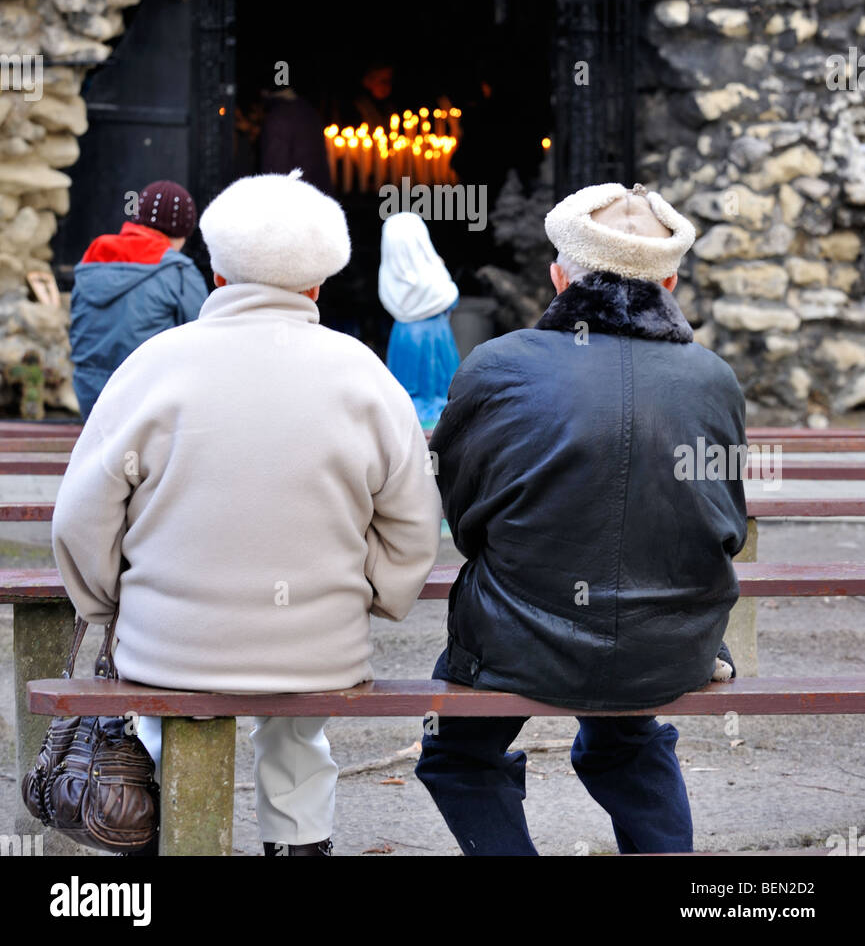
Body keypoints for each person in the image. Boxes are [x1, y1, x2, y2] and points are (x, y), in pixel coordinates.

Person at [53, 170, 442, 857]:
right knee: (298, 734)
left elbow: (80, 519)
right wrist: (378, 597)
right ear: (319, 283)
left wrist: (113, 604)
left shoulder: (153, 365)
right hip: (318, 645)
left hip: (168, 642)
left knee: (159, 706)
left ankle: (161, 830)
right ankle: (298, 846)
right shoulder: (365, 376)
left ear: (214, 270)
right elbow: (412, 525)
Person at [415, 181, 748, 856]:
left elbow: (464, 513)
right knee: (627, 737)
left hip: (517, 631)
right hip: (671, 638)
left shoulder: (497, 365)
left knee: (456, 755)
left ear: (559, 274)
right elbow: (726, 523)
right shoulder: (713, 377)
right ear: (670, 280)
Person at [69, 180, 207, 420]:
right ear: (184, 230)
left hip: (90, 399)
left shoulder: (90, 262)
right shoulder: (179, 271)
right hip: (147, 400)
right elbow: (204, 339)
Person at [379, 212, 461, 430]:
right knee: (437, 389)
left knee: (404, 390)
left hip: (403, 337)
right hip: (436, 336)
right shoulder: (433, 278)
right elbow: (451, 297)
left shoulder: (388, 279)